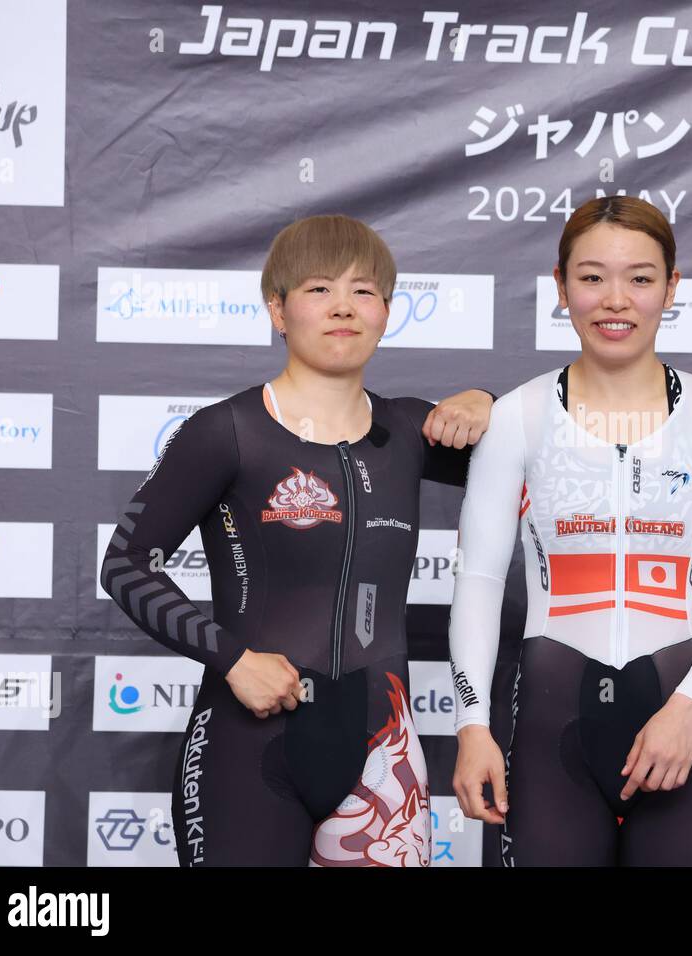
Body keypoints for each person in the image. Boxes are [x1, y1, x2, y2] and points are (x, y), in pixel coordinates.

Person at [101, 214, 494, 866]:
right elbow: (126, 564)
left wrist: (486, 401)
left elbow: (547, 450)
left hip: (383, 750)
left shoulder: (410, 430)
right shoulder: (226, 430)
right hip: (246, 744)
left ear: (387, 312)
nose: (344, 306)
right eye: (319, 289)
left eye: (364, 291)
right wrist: (233, 659)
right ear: (277, 310)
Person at [448, 196, 692, 866]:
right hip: (552, 728)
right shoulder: (516, 417)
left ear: (672, 288)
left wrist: (687, 708)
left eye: (640, 278)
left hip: (683, 723)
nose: (615, 300)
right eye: (592, 277)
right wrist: (472, 725)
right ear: (560, 286)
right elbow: (477, 581)